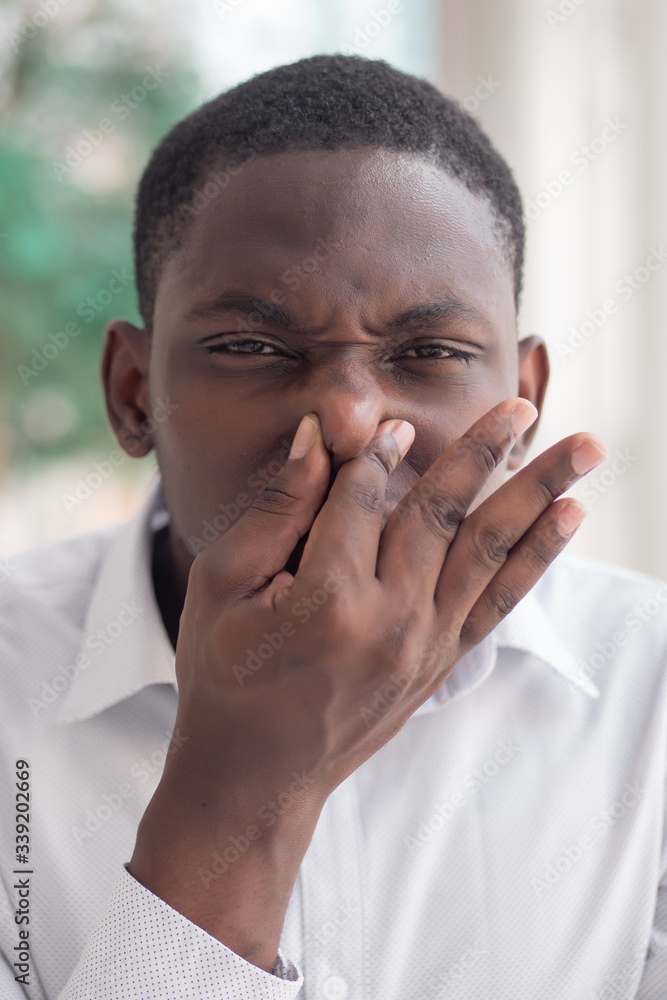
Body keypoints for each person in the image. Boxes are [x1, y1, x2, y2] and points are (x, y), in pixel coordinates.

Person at [2, 54, 666, 1000]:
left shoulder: (651, 695)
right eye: (252, 347)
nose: (352, 422)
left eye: (429, 352)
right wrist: (239, 796)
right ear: (131, 393)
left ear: (523, 398)